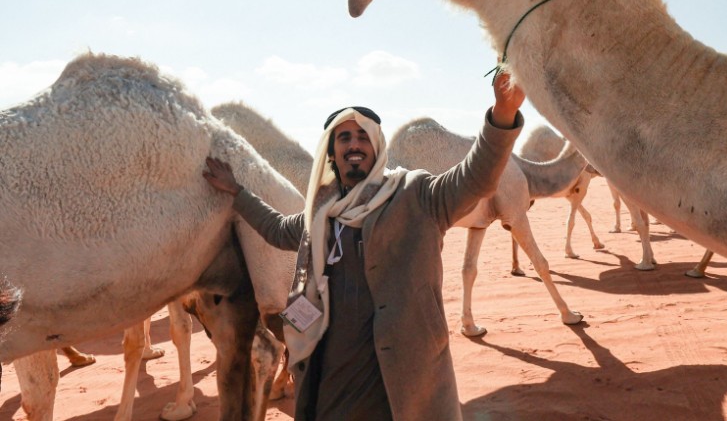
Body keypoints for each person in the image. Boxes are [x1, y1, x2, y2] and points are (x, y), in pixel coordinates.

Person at [202, 72, 526, 421]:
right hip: (329, 383)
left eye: (362, 137)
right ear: (331, 153)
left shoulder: (416, 195)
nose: (353, 144)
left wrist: (503, 114)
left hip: (401, 384)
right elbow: (278, 229)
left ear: (377, 147)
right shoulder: (322, 214)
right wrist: (237, 192)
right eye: (343, 138)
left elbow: (475, 177)